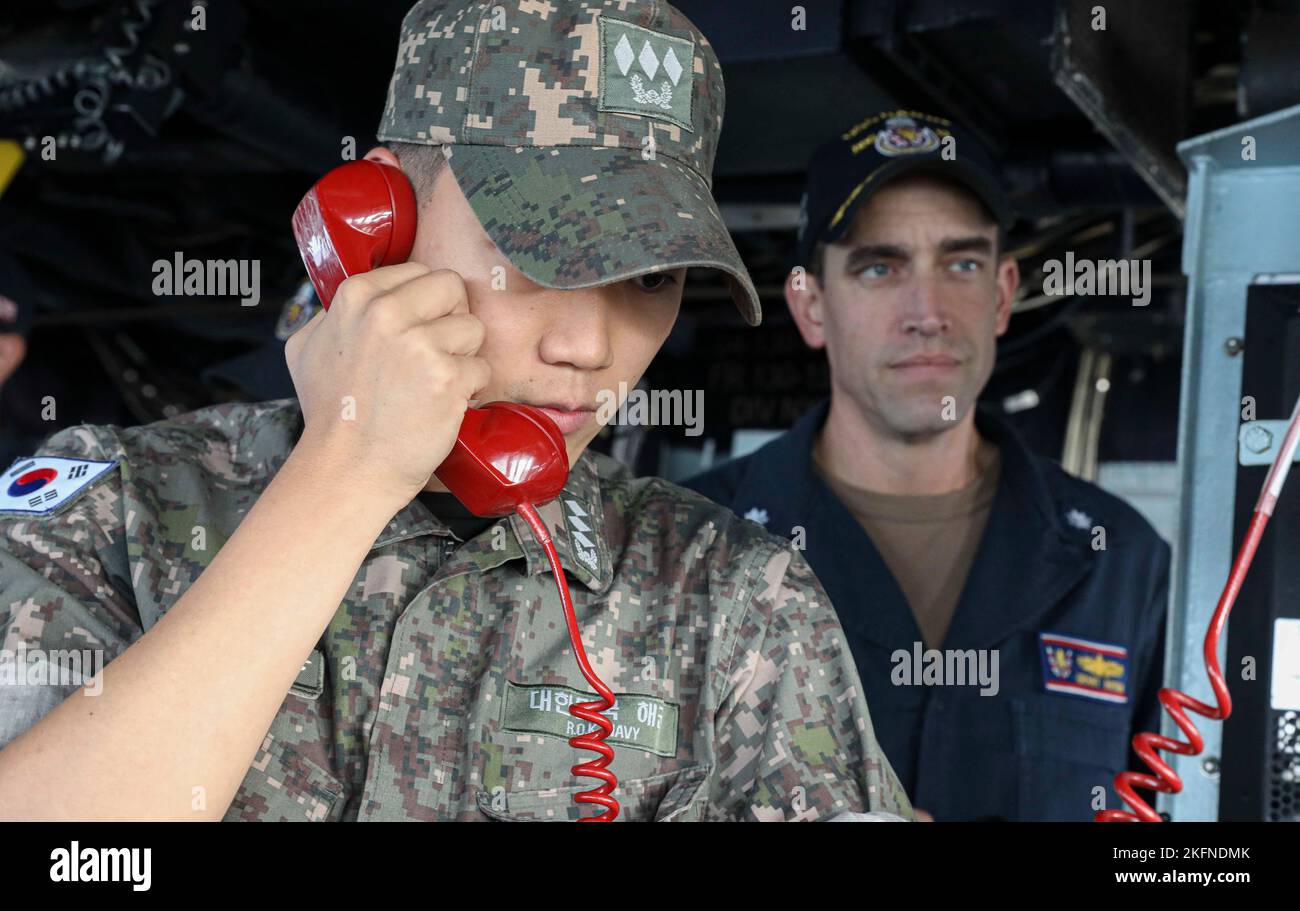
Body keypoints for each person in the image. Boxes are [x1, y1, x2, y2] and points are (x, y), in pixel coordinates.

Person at [0, 1, 911, 822]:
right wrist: (350, 470)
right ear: (380, 215)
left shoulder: (735, 599)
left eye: (652, 277)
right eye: (536, 247)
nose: (590, 346)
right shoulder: (109, 512)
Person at [685, 110, 1170, 821]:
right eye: (880, 266)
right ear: (810, 304)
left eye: (961, 263)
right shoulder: (689, 544)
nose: (928, 311)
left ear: (1003, 294)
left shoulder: (1120, 564)